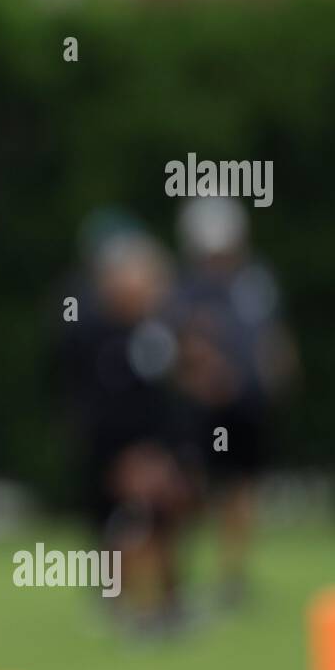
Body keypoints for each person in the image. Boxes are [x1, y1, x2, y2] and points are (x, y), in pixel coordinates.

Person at [60, 222, 196, 635]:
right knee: (129, 525)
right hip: (116, 453)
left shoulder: (158, 331)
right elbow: (103, 405)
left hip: (158, 451)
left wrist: (170, 454)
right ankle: (128, 610)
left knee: (169, 518)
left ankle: (170, 605)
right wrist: (132, 460)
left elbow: (165, 399)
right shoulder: (98, 335)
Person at [170, 194, 297, 608]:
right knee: (191, 488)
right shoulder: (186, 288)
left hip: (247, 405)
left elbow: (270, 336)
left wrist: (277, 369)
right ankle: (179, 579)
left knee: (241, 488)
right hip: (203, 410)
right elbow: (179, 347)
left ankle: (232, 578)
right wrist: (200, 377)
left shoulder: (255, 280)